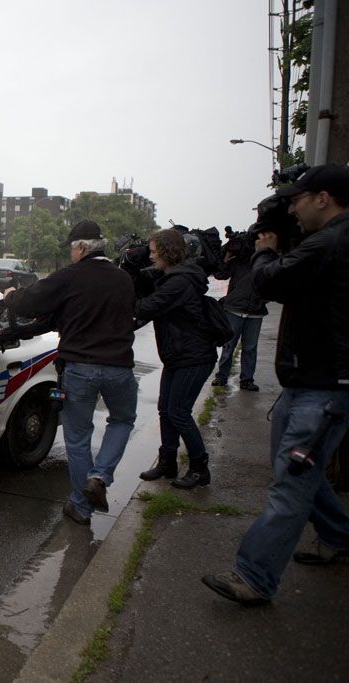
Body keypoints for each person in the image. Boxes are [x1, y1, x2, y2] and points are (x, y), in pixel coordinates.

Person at [203, 163, 349, 605]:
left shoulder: (332, 241)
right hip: (309, 383)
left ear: (322, 197)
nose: (293, 208)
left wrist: (266, 250)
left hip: (324, 386)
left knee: (290, 482)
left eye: (297, 200)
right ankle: (339, 537)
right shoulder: (326, 243)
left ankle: (255, 576)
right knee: (295, 470)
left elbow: (270, 281)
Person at [0, 219, 138, 525]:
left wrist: (10, 297)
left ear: (82, 248)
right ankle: (99, 477)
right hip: (120, 369)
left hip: (81, 369)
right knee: (123, 420)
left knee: (77, 438)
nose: (71, 255)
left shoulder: (69, 277)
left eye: (72, 249)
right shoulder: (123, 279)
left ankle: (81, 506)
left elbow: (30, 303)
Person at [134, 228, 218, 487]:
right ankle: (168, 462)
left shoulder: (179, 282)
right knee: (165, 410)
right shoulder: (174, 276)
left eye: (153, 251)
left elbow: (146, 306)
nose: (150, 257)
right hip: (178, 355)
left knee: (178, 412)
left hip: (193, 357)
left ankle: (199, 468)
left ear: (168, 252)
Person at [211, 228, 268, 391]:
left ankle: (247, 380)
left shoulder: (264, 262)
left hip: (256, 311)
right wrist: (227, 256)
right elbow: (220, 274)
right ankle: (221, 377)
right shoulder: (237, 262)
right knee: (228, 346)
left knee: (250, 348)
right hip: (234, 309)